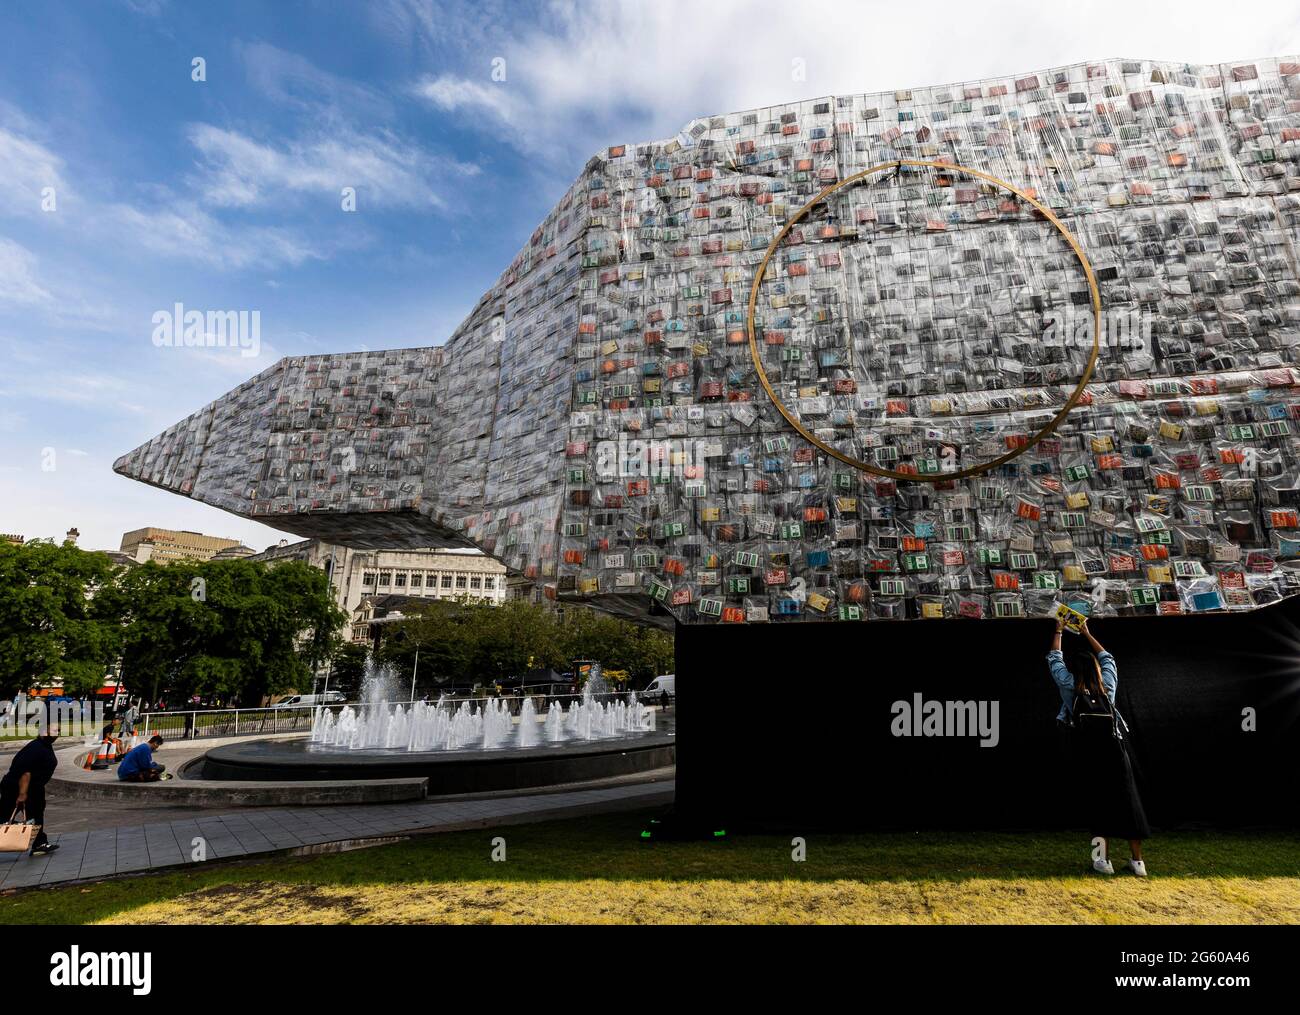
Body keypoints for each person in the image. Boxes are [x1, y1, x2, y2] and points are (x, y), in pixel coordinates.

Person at [1049, 616, 1150, 876]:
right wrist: (1086, 632)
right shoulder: (1108, 687)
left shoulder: (1071, 687)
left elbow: (1054, 661)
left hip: (1091, 754)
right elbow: (1108, 658)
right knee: (1129, 803)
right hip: (1117, 753)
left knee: (1099, 806)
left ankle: (1102, 861)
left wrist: (1059, 631)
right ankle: (1137, 862)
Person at [0, 726, 61, 856]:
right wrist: (22, 794)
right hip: (18, 788)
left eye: (58, 731)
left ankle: (39, 843)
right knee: (5, 816)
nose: (57, 734)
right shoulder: (36, 748)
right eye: (54, 731)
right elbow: (25, 772)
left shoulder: (44, 746)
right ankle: (39, 843)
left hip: (33, 789)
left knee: (36, 815)